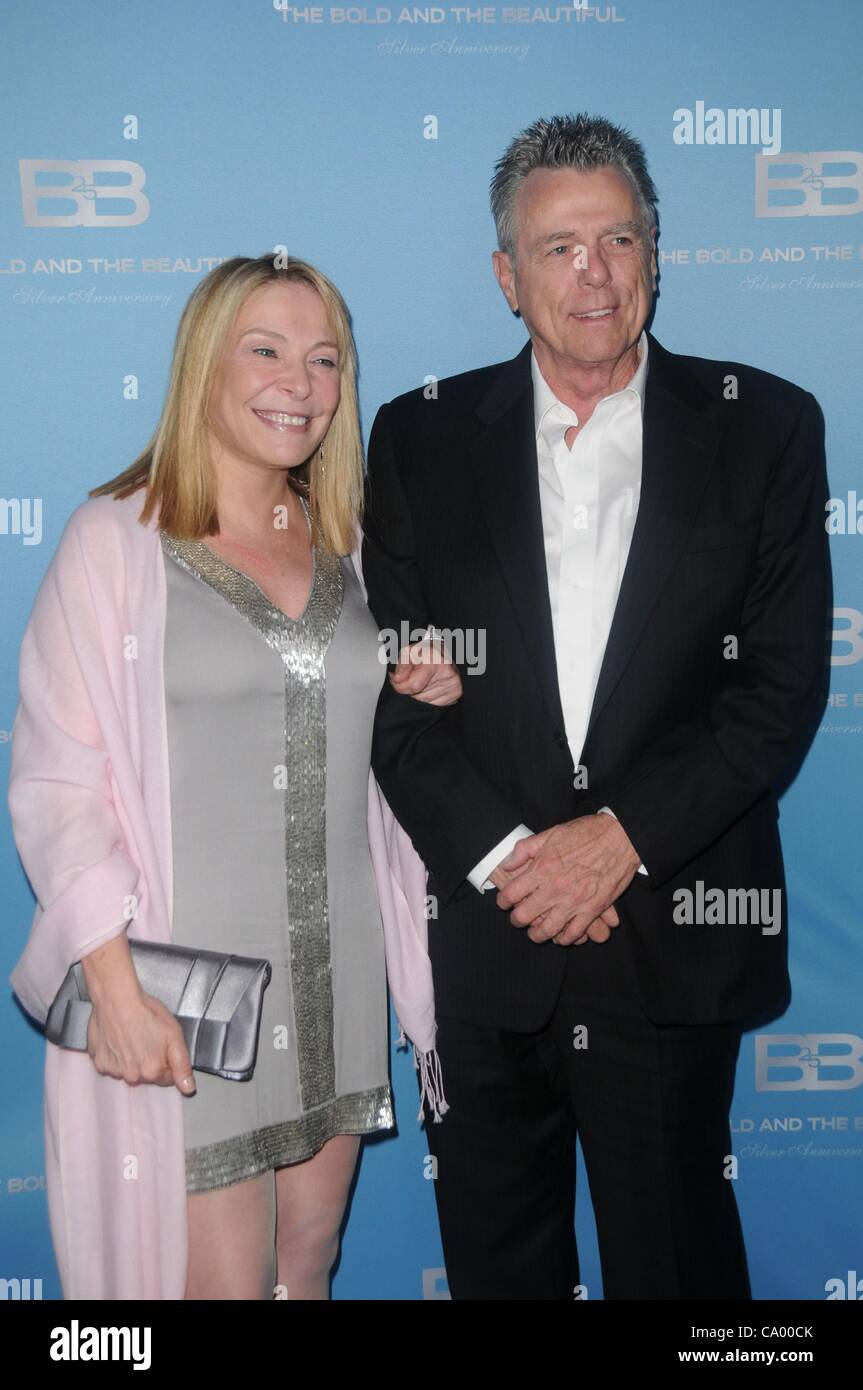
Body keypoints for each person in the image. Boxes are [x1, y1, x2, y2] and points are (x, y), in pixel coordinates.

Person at [362, 112, 832, 1300]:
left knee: (680, 1275)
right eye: (559, 245)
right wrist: (516, 862)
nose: (594, 272)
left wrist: (615, 844)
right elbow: (391, 699)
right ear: (504, 274)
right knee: (498, 1268)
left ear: (657, 254)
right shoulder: (415, 440)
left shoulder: (764, 426)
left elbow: (775, 693)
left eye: (619, 238)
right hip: (488, 940)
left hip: (668, 933)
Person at [8, 253, 458, 1300]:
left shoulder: (348, 542)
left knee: (307, 1270)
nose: (296, 383)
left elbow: (336, 722)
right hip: (186, 998)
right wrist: (113, 989)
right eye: (264, 350)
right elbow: (55, 784)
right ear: (202, 365)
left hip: (338, 978)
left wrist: (409, 680)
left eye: (323, 358)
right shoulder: (114, 542)